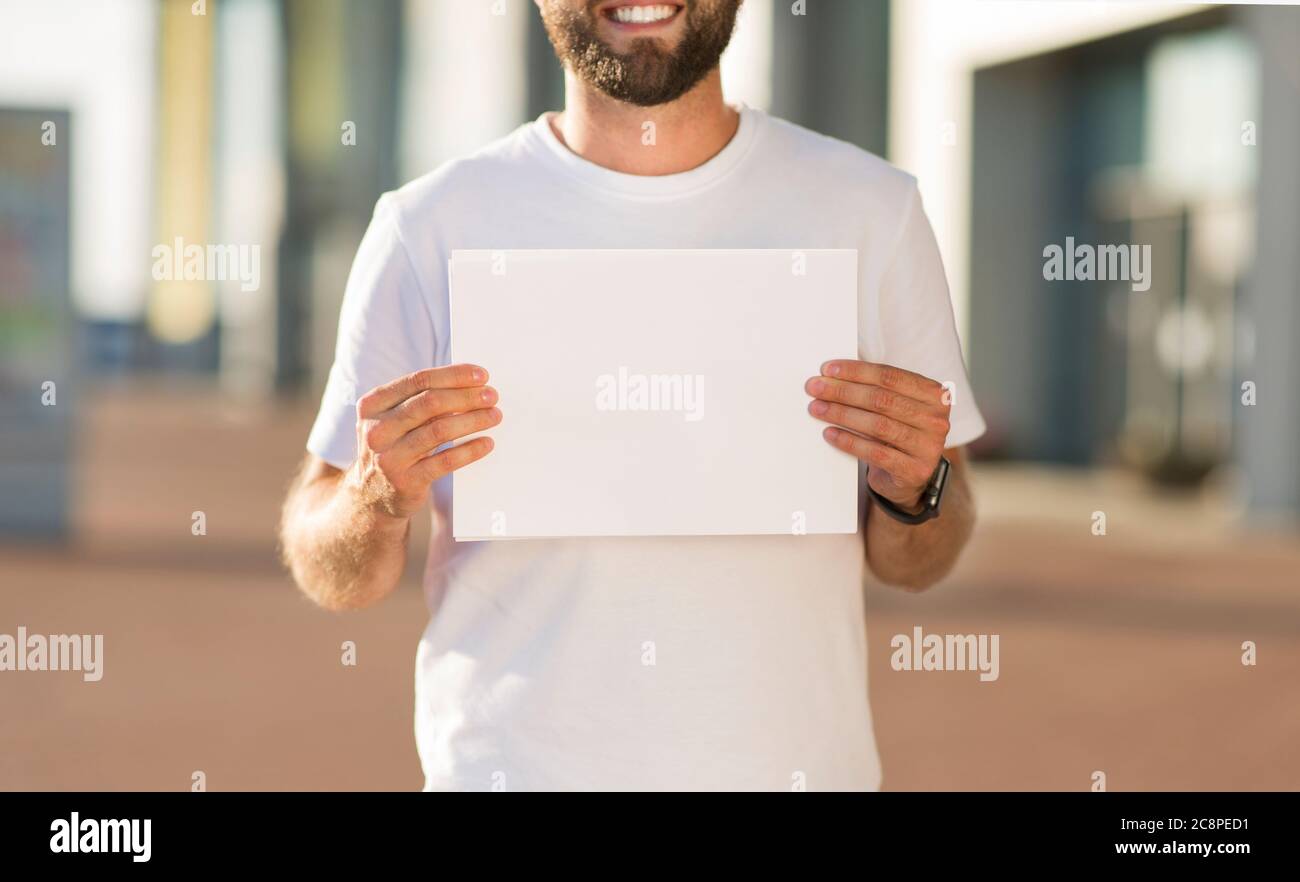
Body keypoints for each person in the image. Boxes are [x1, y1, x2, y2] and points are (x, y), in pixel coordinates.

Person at [280, 0, 986, 791]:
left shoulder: (871, 210)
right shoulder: (427, 226)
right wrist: (374, 496)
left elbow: (922, 557)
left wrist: (917, 488)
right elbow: (331, 569)